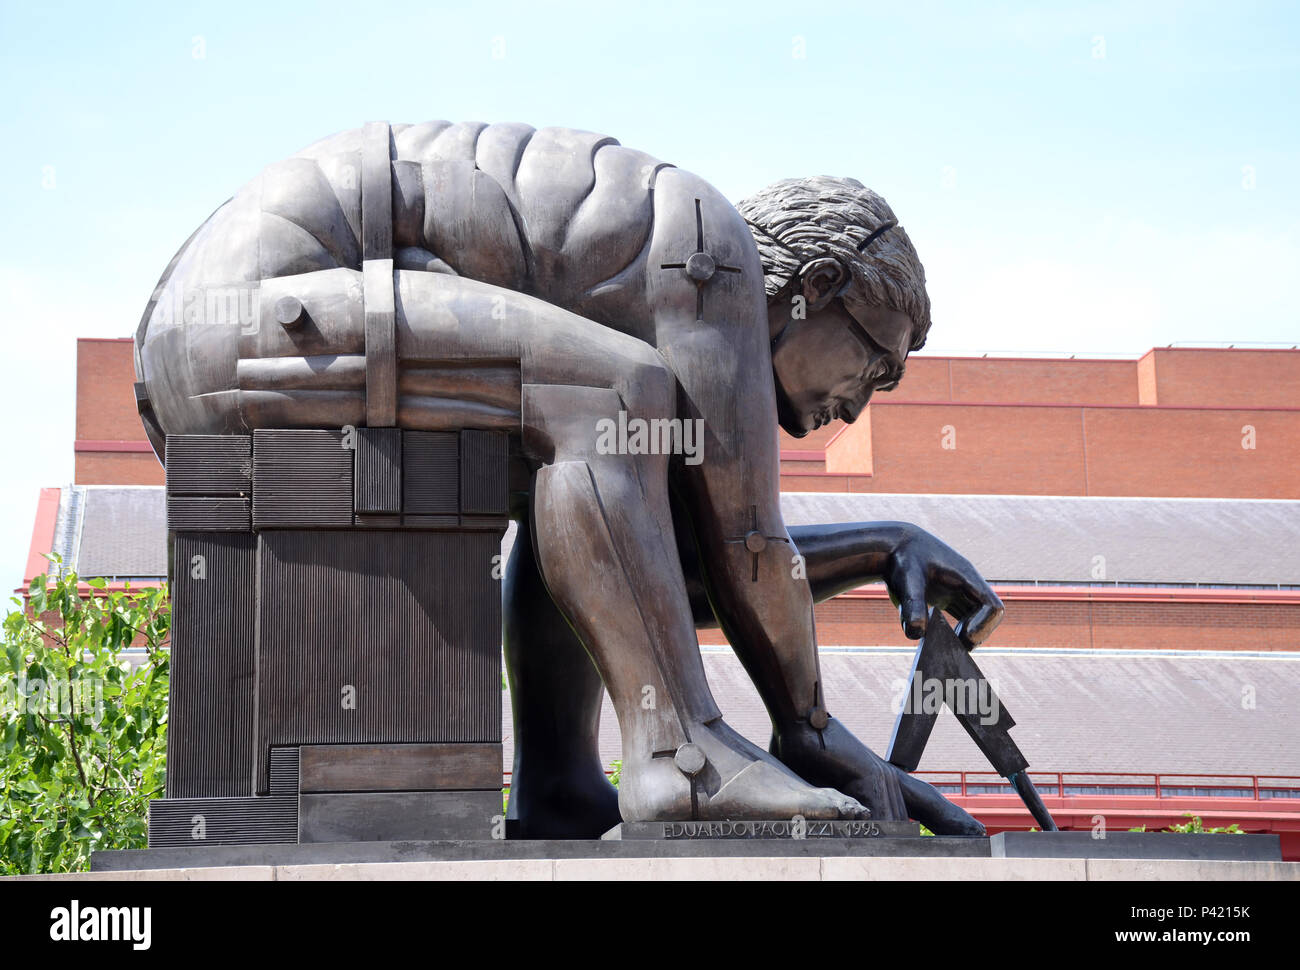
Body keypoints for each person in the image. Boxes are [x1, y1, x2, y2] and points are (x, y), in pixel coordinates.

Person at [135, 120, 1003, 836]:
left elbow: (647, 569)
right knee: (611, 394)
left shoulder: (664, 253)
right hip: (262, 307)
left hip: (214, 334)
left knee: (591, 464)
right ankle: (683, 761)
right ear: (816, 285)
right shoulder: (715, 252)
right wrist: (814, 734)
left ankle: (559, 783)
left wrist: (880, 547)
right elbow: (745, 548)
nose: (854, 408)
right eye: (872, 366)